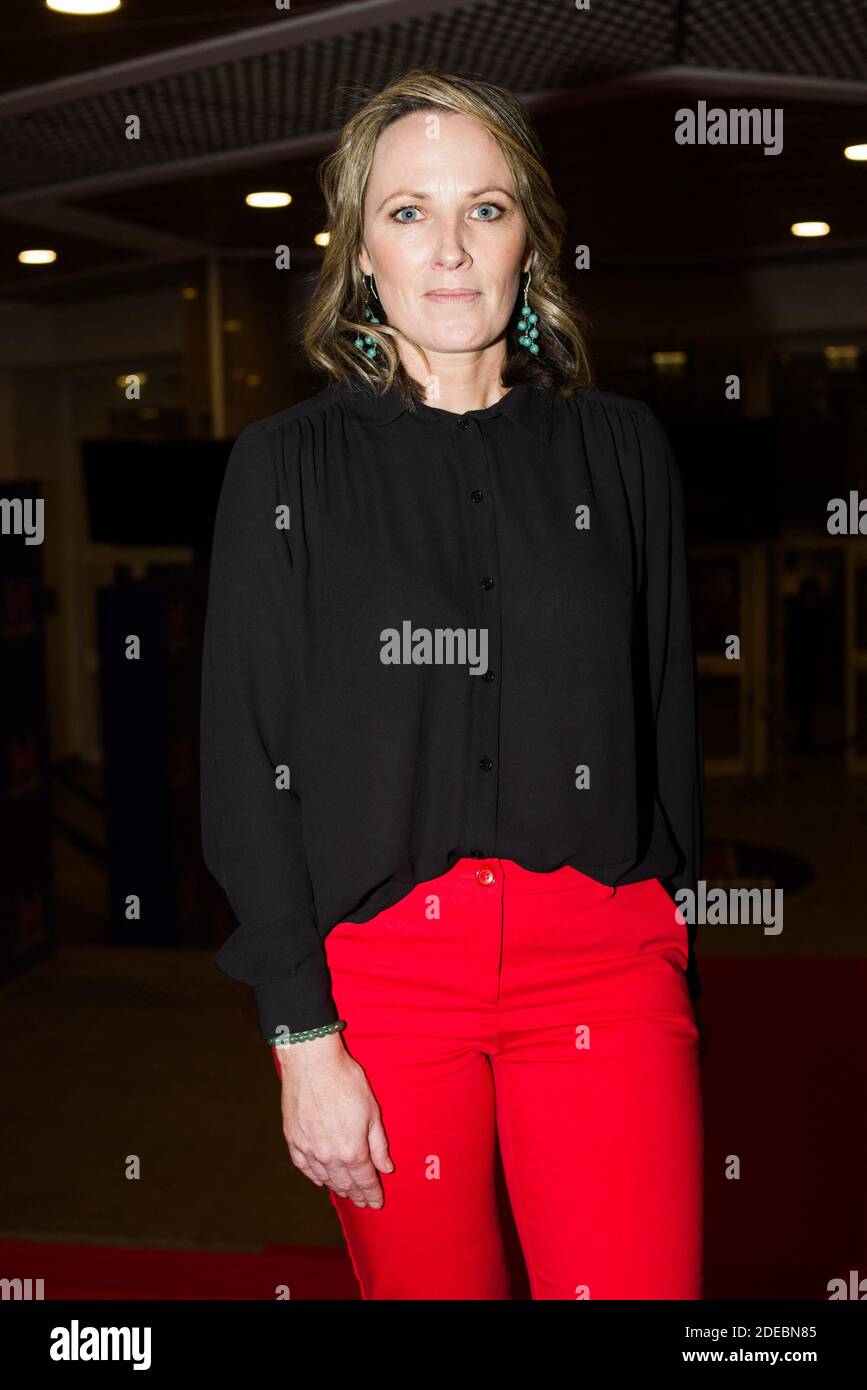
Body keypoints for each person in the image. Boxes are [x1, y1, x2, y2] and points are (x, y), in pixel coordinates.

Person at [200, 68, 705, 1300]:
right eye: (408, 211)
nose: (450, 249)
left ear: (530, 234)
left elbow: (663, 705)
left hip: (603, 966)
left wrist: (673, 921)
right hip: (380, 990)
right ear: (360, 250)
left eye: (485, 208)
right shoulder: (286, 466)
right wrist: (298, 1036)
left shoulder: (621, 449)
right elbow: (243, 756)